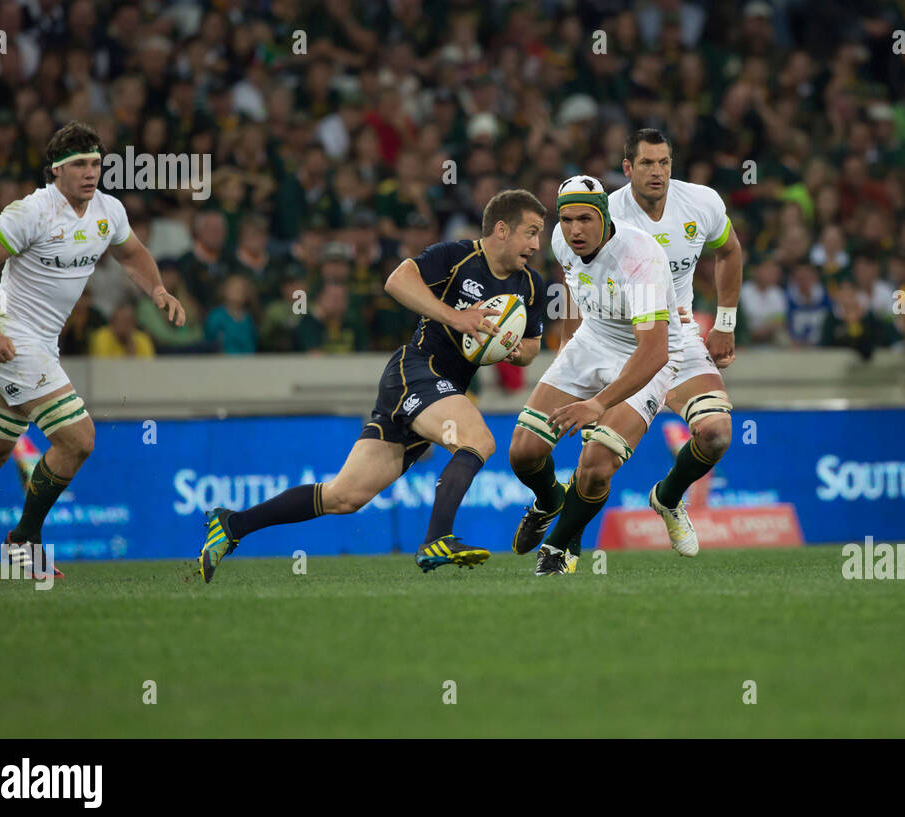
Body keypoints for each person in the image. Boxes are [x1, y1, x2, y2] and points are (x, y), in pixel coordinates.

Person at [198, 189, 548, 581]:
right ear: (502, 229)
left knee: (344, 496)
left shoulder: (530, 285)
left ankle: (231, 525)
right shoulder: (456, 256)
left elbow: (533, 346)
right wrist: (455, 316)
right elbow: (397, 281)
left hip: (440, 392)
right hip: (415, 370)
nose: (537, 244)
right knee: (479, 440)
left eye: (539, 235)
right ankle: (437, 539)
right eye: (530, 232)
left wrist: (513, 350)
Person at [0, 121, 186, 577]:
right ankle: (24, 540)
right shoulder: (31, 212)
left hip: (40, 347)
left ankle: (22, 540)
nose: (90, 172)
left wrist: (157, 290)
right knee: (78, 439)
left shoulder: (108, 211)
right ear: (55, 172)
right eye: (79, 164)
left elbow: (133, 253)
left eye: (96, 163)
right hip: (9, 336)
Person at [507, 175, 686, 575]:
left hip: (646, 353)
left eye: (585, 219)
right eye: (567, 219)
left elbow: (653, 349)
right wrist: (567, 346)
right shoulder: (559, 241)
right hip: (591, 340)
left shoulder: (640, 257)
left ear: (604, 217)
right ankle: (551, 498)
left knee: (596, 465)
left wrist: (598, 402)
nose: (574, 230)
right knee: (523, 452)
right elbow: (574, 287)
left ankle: (557, 549)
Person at [603, 129, 741, 555]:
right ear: (628, 168)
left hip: (676, 339)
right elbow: (577, 285)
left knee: (716, 433)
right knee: (597, 463)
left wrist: (725, 322)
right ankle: (561, 548)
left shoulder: (701, 203)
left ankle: (667, 497)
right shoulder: (605, 214)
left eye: (664, 163)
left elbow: (730, 252)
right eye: (646, 163)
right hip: (619, 342)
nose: (657, 172)